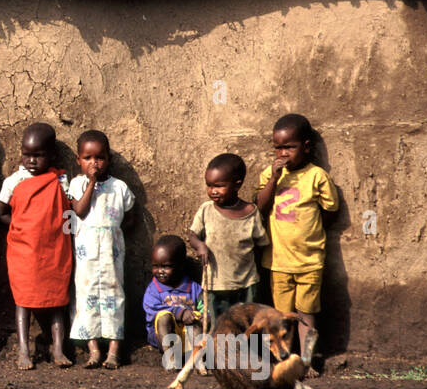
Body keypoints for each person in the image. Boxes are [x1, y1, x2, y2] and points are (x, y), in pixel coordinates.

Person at [254, 113, 339, 361]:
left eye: (289, 147)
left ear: (306, 147)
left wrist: (311, 233)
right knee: (282, 316)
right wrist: (274, 179)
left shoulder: (317, 176)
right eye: (278, 148)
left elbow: (331, 210)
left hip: (309, 261)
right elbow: (260, 205)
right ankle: (285, 358)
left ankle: (307, 359)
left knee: (307, 314)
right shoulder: (270, 175)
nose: (283, 154)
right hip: (279, 262)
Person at [0, 122, 73, 370]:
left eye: (38, 155)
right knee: (23, 300)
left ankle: (59, 349)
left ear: (51, 155)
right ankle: (23, 351)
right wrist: (23, 229)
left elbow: (68, 212)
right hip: (24, 252)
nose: (31, 161)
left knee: (57, 301)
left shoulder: (60, 180)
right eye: (26, 154)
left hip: (54, 251)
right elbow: (1, 212)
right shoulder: (14, 181)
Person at [67, 130, 137, 369]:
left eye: (99, 158)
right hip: (86, 255)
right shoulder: (77, 184)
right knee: (86, 298)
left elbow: (131, 217)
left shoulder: (119, 187)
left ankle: (114, 351)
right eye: (88, 158)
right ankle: (94, 350)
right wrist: (92, 183)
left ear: (109, 159)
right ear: (79, 160)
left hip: (111, 253)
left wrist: (112, 232)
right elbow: (80, 211)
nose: (94, 163)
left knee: (114, 297)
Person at [186, 153, 269, 330]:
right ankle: (219, 356)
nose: (212, 191)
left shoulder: (251, 212)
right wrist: (200, 245)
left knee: (246, 325)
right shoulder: (206, 210)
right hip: (216, 283)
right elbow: (192, 235)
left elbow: (262, 244)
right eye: (209, 185)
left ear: (237, 184)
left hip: (245, 284)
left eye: (219, 186)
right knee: (218, 326)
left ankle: (246, 356)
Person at [143, 235, 204, 364]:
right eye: (156, 266)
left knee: (196, 321)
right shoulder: (154, 289)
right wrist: (179, 313)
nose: (160, 271)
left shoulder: (193, 288)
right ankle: (171, 359)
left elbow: (202, 305)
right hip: (164, 336)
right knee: (163, 317)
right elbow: (152, 311)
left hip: (188, 337)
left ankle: (199, 361)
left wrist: (205, 315)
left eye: (166, 266)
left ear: (181, 266)